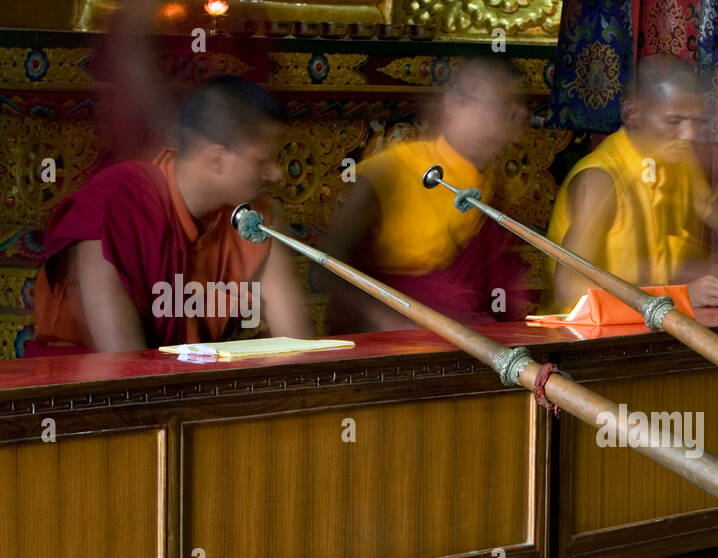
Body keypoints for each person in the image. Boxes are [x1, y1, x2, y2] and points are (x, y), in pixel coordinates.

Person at [31, 74, 310, 353]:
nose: (276, 174)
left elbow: (299, 350)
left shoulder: (256, 219)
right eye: (262, 160)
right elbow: (122, 366)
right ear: (216, 158)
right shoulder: (117, 204)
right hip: (84, 387)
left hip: (190, 385)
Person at [546, 56, 718, 312]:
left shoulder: (678, 161)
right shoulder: (601, 179)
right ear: (633, 114)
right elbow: (569, 292)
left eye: (697, 122)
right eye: (674, 121)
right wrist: (679, 296)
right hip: (584, 337)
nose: (689, 135)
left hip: (654, 324)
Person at [321, 56, 534, 330]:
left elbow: (497, 294)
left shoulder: (494, 188)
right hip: (387, 339)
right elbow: (329, 267)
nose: (488, 119)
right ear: (450, 104)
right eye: (476, 102)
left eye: (501, 111)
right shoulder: (392, 170)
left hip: (469, 339)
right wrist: (393, 324)